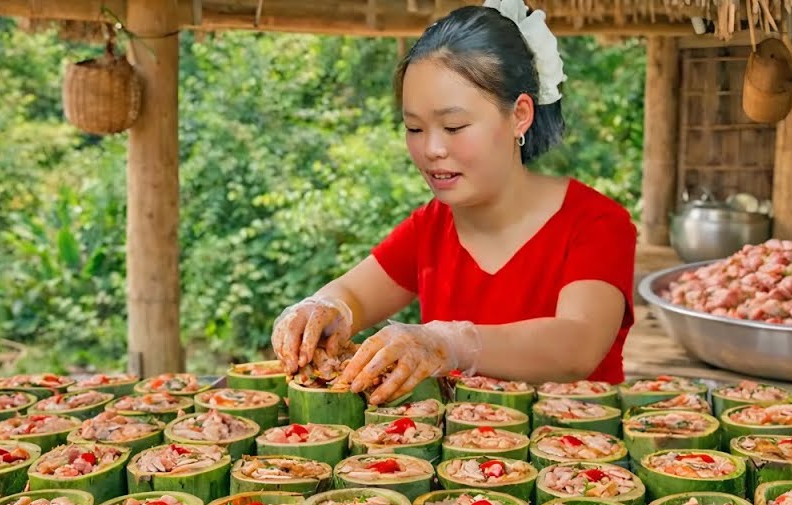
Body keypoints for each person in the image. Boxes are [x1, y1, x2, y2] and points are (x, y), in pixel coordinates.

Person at [271, 0, 637, 405]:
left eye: (454, 126)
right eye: (414, 127)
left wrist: (450, 342)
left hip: (583, 458)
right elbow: (352, 296)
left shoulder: (598, 223)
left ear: (519, 115)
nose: (431, 149)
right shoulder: (431, 227)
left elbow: (577, 346)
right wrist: (323, 308)